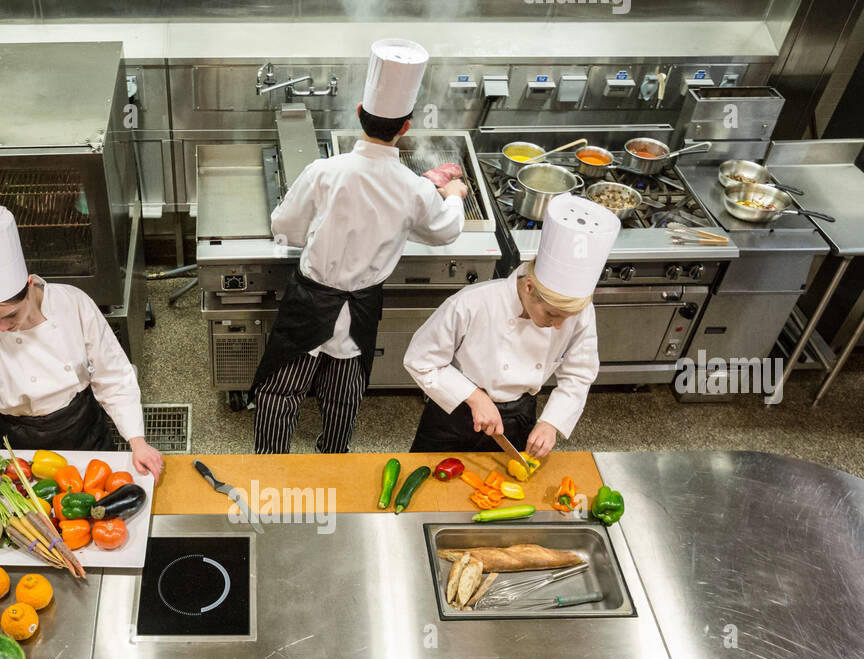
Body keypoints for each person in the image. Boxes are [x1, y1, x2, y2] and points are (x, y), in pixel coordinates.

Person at [251, 38, 467, 454]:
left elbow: (284, 225)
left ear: (358, 115)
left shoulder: (325, 171)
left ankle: (269, 465)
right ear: (406, 127)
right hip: (362, 307)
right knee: (343, 398)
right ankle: (334, 462)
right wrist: (453, 193)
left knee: (280, 393)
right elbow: (443, 231)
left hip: (310, 302)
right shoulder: (412, 189)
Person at [0, 205, 162, 547]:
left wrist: (137, 441)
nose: (2, 327)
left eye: (10, 315)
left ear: (29, 283)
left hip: (84, 424)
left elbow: (113, 375)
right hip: (24, 439)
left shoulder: (73, 304)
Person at [405, 193, 621, 458]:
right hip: (456, 411)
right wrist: (474, 396)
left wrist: (551, 423)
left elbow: (579, 373)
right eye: (552, 315)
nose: (558, 327)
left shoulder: (578, 310)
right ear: (529, 287)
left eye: (566, 318)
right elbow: (420, 359)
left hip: (518, 417)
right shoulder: (472, 303)